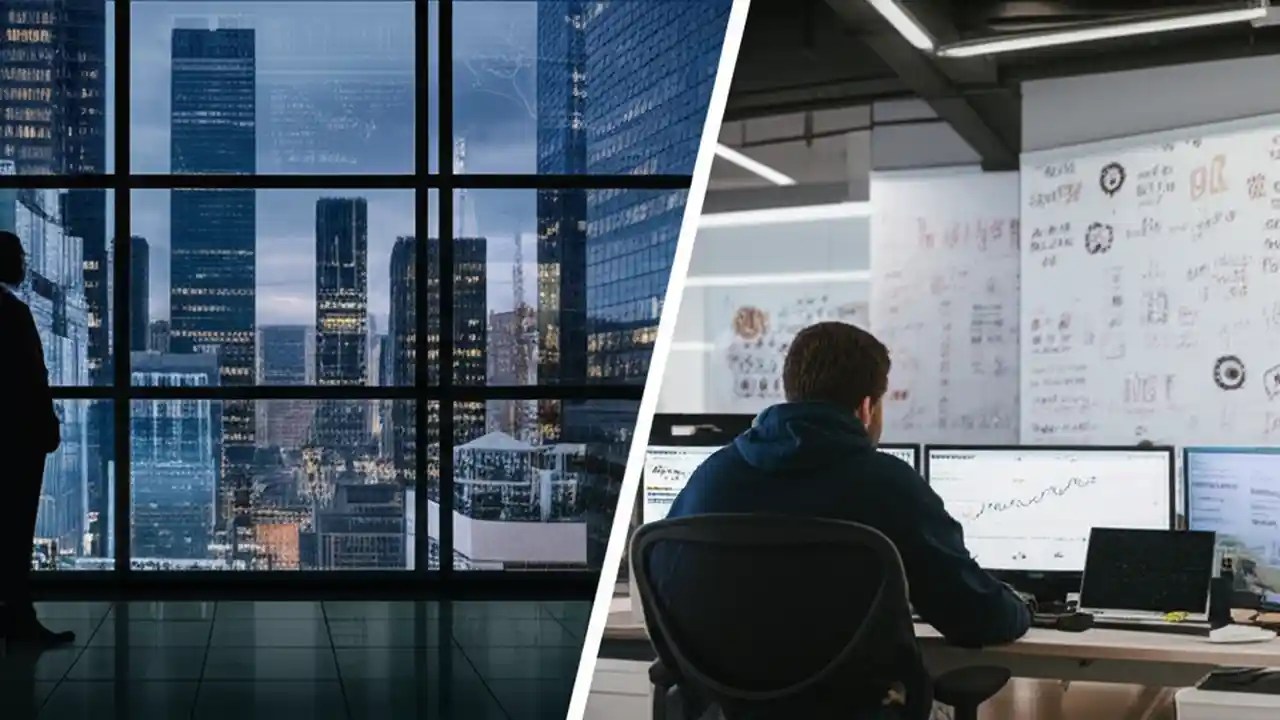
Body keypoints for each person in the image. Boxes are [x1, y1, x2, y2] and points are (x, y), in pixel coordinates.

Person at [650, 321, 1029, 719]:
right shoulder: (888, 485)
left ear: (792, 391)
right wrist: (1020, 607)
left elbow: (668, 598)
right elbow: (976, 618)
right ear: (866, 407)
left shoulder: (712, 477)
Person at [0, 230, 75, 645]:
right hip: (18, 436)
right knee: (15, 526)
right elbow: (32, 377)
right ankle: (18, 615)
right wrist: (47, 425)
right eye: (19, 256)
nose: (25, 263)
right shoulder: (12, 313)